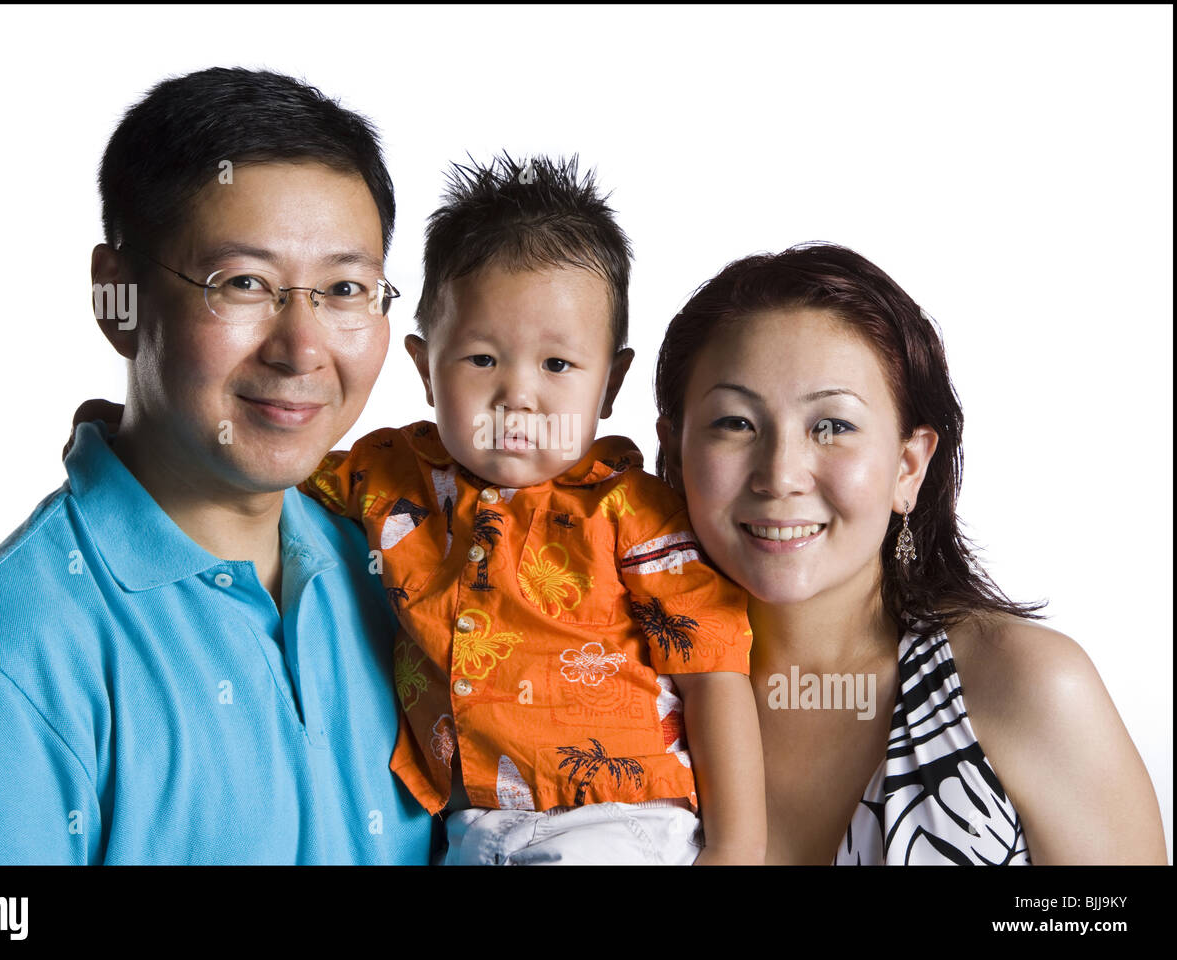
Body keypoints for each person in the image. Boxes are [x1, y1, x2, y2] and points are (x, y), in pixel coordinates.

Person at [0, 67, 434, 864]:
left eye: (346, 288)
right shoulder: (3, 658)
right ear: (120, 298)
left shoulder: (406, 577)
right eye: (244, 283)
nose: (302, 348)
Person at [302, 155, 765, 865]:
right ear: (426, 369)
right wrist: (137, 438)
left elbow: (713, 671)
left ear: (610, 384)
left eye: (557, 365)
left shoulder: (628, 510)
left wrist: (735, 850)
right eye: (482, 359)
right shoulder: (386, 474)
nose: (518, 395)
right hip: (466, 825)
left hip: (612, 821)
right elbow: (273, 469)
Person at [652, 242, 1168, 864]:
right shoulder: (592, 680)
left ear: (907, 466)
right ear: (673, 453)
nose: (780, 475)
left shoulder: (1022, 685)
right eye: (736, 423)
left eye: (834, 426)